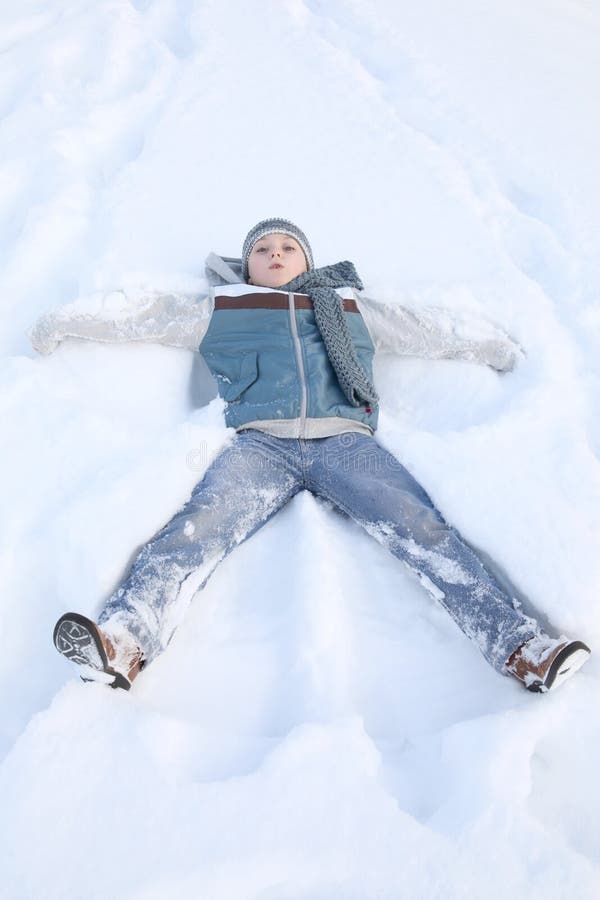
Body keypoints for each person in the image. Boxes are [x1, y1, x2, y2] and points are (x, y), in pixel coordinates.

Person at [31, 217, 590, 693]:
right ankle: (124, 641)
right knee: (196, 530)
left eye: (286, 247)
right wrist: (65, 323)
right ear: (246, 265)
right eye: (262, 249)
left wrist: (499, 348)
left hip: (346, 442)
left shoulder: (347, 307)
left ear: (306, 259)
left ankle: (523, 649)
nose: (275, 254)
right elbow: (141, 314)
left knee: (422, 530)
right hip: (260, 445)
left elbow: (427, 330)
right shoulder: (224, 306)